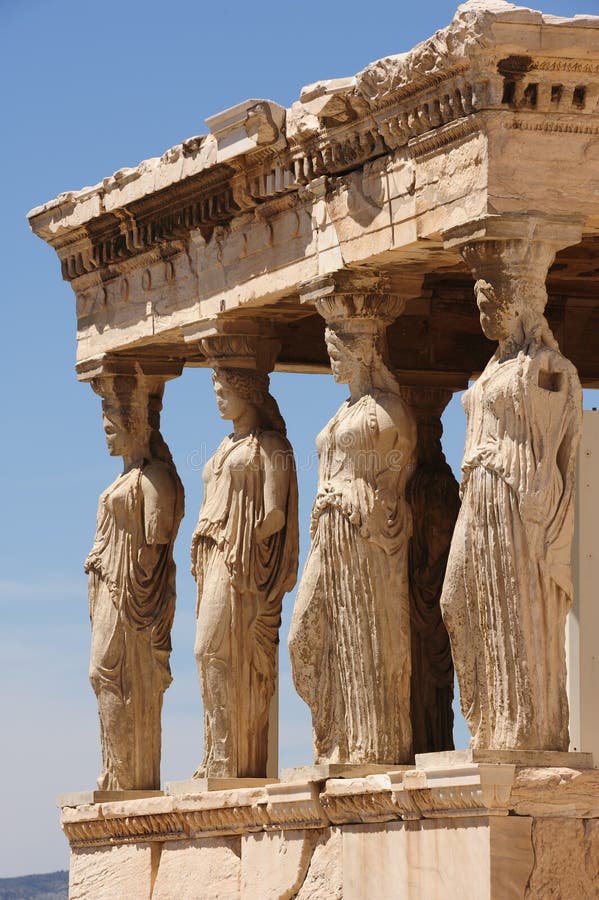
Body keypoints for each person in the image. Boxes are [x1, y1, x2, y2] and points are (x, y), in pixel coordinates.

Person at [441, 279, 582, 750]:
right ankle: (489, 720)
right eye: (480, 305)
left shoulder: (543, 364)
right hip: (478, 490)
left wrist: (544, 475)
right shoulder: (492, 367)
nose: (484, 315)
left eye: (492, 304)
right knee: (456, 600)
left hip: (515, 489)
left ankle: (525, 729)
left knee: (516, 602)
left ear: (518, 304)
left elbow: (561, 428)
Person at [289, 316, 417, 765]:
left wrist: (371, 509)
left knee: (364, 634)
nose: (331, 359)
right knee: (305, 635)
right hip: (328, 534)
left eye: (337, 351)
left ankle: (369, 744)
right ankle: (333, 736)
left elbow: (397, 477)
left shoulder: (388, 409)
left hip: (362, 535)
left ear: (362, 352)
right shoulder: (344, 411)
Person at [191, 367, 298, 778]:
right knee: (207, 655)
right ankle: (215, 752)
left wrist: (245, 538)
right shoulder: (222, 446)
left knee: (213, 649)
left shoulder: (271, 445)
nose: (218, 399)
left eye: (224, 391)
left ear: (247, 393)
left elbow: (274, 514)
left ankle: (232, 756)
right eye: (216, 391)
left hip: (242, 562)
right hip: (212, 554)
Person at [86, 376, 184, 790]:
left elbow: (157, 542)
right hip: (108, 586)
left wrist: (133, 583)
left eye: (113, 428)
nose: (106, 437)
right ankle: (117, 772)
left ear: (134, 425)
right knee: (105, 676)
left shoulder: (155, 477)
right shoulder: (126, 479)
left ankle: (130, 775)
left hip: (130, 594)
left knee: (109, 673)